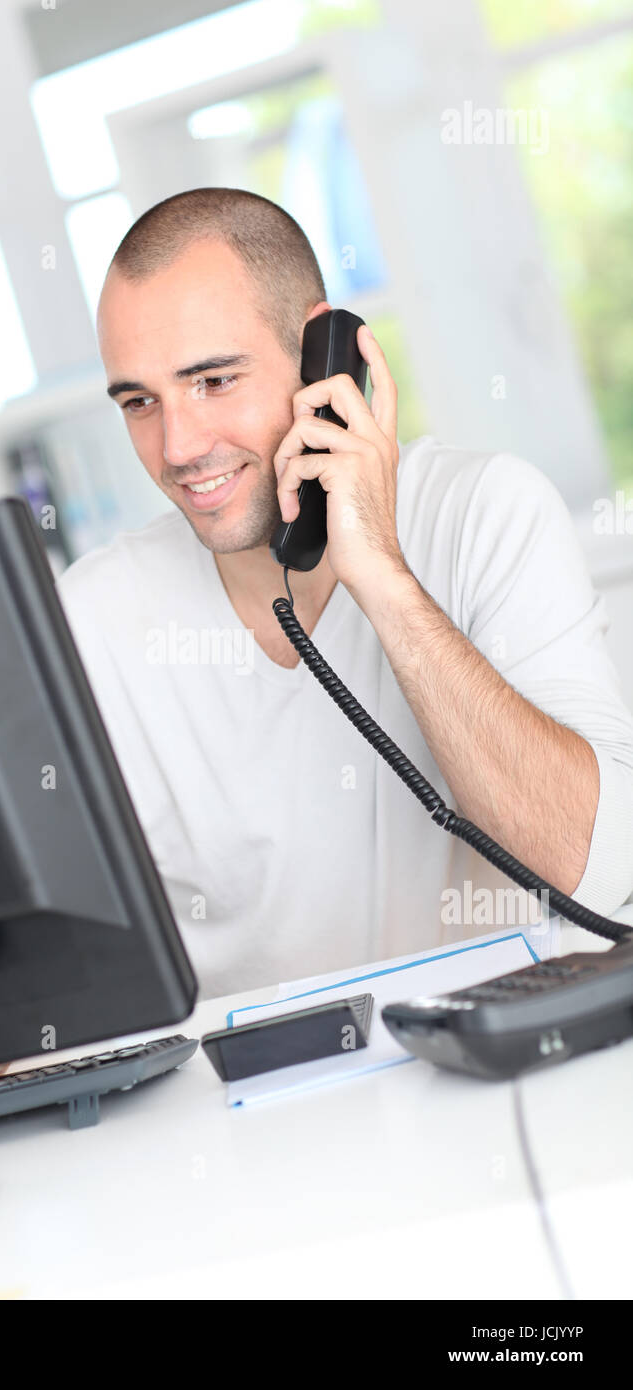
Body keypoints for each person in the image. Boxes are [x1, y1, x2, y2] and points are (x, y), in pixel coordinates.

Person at [54, 185, 633, 1000]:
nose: (177, 447)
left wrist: (380, 576)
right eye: (140, 402)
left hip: (505, 1080)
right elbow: (56, 962)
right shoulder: (93, 619)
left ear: (323, 355)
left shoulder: (486, 512)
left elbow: (595, 868)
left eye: (213, 381)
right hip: (249, 1110)